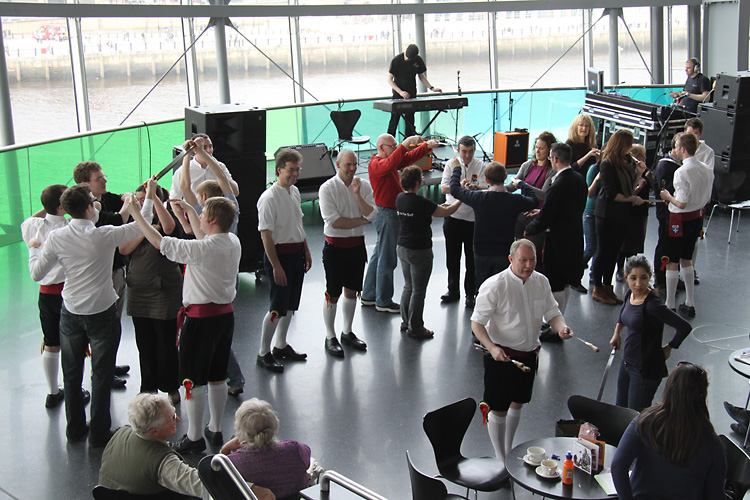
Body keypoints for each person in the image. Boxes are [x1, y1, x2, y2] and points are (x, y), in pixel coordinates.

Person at [29, 184, 150, 447]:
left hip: (70, 311)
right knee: (102, 374)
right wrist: (147, 198)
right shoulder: (104, 235)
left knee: (71, 374)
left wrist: (33, 249)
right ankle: (99, 432)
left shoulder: (57, 238)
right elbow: (143, 225)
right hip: (102, 312)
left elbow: (37, 273)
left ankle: (74, 429)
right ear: (88, 208)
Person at [129, 185, 241, 455]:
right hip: (225, 317)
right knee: (216, 375)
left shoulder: (201, 250)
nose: (199, 219)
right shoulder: (231, 241)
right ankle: (214, 427)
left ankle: (193, 436)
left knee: (192, 379)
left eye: (203, 215)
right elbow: (204, 237)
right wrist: (190, 211)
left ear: (212, 220)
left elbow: (159, 242)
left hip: (200, 321)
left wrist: (137, 214)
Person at [471, 239, 574, 460]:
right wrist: (492, 347)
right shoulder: (495, 285)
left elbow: (552, 313)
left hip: (528, 354)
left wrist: (562, 327)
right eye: (523, 260)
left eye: (532, 260)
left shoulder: (541, 282)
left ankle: (508, 449)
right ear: (511, 259)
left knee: (517, 402)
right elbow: (477, 324)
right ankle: (501, 457)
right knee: (498, 408)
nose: (529, 265)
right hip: (501, 356)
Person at [99, 393, 275, 500]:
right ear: (153, 431)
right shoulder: (163, 463)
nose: (177, 419)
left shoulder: (121, 433)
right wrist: (250, 489)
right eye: (171, 418)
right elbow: (200, 484)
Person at [178, 136, 244, 396]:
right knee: (218, 330)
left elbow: (185, 186)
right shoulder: (228, 209)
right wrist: (202, 157)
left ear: (204, 198)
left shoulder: (211, 210)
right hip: (226, 276)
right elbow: (220, 183)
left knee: (214, 332)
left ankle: (227, 378)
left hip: (209, 281)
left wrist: (192, 156)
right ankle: (229, 379)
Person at [611, 362, 726, 500]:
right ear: (702, 395)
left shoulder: (646, 422)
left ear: (670, 388)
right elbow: (715, 495)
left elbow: (618, 466)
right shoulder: (712, 443)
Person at [21, 184, 91, 408]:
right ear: (64, 207)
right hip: (70, 293)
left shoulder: (33, 226)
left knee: (51, 343)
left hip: (46, 295)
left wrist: (49, 208)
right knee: (75, 345)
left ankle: (52, 393)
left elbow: (30, 220)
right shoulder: (71, 227)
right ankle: (74, 390)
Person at [119, 182, 182, 405]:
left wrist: (154, 197)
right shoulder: (133, 223)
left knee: (167, 342)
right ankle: (148, 387)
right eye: (138, 200)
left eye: (145, 199)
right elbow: (123, 249)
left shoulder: (166, 217)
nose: (140, 203)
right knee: (144, 344)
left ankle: (171, 386)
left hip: (165, 290)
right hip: (139, 290)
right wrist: (145, 229)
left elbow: (168, 229)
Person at [361, 134, 440, 313]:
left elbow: (406, 158)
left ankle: (369, 295)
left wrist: (426, 146)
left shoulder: (386, 162)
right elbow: (395, 160)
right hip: (387, 214)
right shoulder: (377, 164)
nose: (396, 149)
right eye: (392, 146)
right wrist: (404, 146)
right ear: (381, 148)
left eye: (396, 145)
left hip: (387, 214)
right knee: (387, 260)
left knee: (379, 256)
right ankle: (383, 300)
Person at [73, 161, 133, 388]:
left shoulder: (106, 199)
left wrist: (132, 196)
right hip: (104, 275)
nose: (105, 180)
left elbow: (124, 201)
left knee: (114, 322)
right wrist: (130, 203)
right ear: (84, 184)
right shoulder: (89, 213)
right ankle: (101, 372)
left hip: (118, 270)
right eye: (99, 178)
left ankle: (107, 364)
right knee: (104, 326)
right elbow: (119, 220)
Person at [608, 256, 692, 411]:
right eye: (633, 278)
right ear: (626, 278)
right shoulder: (629, 294)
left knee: (636, 416)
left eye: (643, 278)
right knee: (619, 410)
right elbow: (623, 313)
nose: (638, 284)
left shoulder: (653, 305)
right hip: (627, 362)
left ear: (650, 277)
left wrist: (670, 347)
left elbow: (684, 327)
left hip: (645, 369)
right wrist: (617, 332)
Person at [256, 149, 312, 373]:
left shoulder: (295, 192)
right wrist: (276, 265)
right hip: (279, 256)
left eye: (297, 170)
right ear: (279, 169)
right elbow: (265, 235)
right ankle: (263, 352)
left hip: (296, 253)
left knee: (289, 306)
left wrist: (306, 250)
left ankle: (280, 346)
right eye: (291, 170)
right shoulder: (269, 198)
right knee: (277, 308)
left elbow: (299, 225)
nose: (295, 174)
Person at [318, 149, 377, 357]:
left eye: (354, 165)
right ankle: (330, 335)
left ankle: (347, 331)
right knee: (333, 293)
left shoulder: (363, 186)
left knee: (352, 290)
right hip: (334, 248)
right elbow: (334, 221)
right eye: (347, 165)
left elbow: (373, 213)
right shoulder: (327, 189)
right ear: (338, 165)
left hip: (356, 247)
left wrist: (357, 195)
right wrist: (362, 220)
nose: (352, 169)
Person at [449, 161, 538, 289]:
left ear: (486, 180)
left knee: (483, 289)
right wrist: (521, 184)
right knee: (502, 289)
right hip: (504, 252)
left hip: (482, 251)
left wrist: (456, 169)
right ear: (505, 176)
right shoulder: (514, 200)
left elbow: (455, 190)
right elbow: (534, 200)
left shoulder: (479, 198)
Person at [396, 166, 461, 338]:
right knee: (419, 290)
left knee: (408, 286)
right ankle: (415, 327)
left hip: (402, 247)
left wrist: (437, 207)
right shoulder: (421, 202)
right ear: (418, 182)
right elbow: (446, 212)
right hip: (419, 250)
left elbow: (424, 210)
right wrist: (460, 199)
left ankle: (405, 321)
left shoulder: (400, 198)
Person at [525, 142, 588, 315]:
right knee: (566, 279)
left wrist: (529, 230)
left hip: (558, 240)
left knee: (555, 281)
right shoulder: (578, 178)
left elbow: (546, 218)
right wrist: (544, 210)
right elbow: (570, 207)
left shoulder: (558, 184)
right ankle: (560, 320)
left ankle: (554, 325)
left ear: (555, 158)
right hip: (574, 235)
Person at [659, 132, 713, 316]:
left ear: (682, 149)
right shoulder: (706, 168)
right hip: (696, 217)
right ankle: (689, 302)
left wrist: (667, 197)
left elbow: (680, 203)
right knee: (687, 260)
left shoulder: (681, 172)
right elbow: (707, 197)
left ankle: (670, 304)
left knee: (672, 261)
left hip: (679, 220)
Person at [591, 129, 646, 305]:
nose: (630, 148)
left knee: (614, 252)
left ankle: (608, 286)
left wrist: (639, 175)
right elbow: (611, 194)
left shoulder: (628, 162)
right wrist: (633, 198)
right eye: (628, 144)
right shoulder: (607, 164)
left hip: (622, 213)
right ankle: (598, 287)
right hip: (607, 214)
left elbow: (631, 185)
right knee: (603, 251)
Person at [221, 398, 310, 500]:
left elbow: (217, 475)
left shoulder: (234, 463)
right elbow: (307, 458)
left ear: (241, 430)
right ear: (274, 424)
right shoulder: (294, 449)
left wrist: (225, 450)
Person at [439, 135, 487, 307]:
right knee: (452, 257)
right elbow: (444, 186)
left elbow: (485, 187)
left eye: (471, 152)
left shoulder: (480, 165)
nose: (467, 155)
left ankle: (470, 293)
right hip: (453, 216)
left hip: (473, 220)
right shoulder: (451, 165)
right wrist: (458, 186)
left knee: (471, 259)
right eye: (464, 152)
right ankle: (453, 290)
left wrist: (473, 187)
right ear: (459, 151)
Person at [507, 131, 557, 266]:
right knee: (517, 247)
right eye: (536, 147)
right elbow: (512, 187)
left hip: (537, 215)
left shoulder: (552, 170)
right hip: (522, 213)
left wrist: (523, 185)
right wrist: (496, 188)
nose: (538, 151)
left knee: (534, 251)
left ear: (549, 150)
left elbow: (544, 194)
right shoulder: (527, 165)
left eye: (542, 148)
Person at [684, 117, 715, 287]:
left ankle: (691, 268)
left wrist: (706, 196)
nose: (693, 138)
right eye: (690, 134)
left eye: (695, 134)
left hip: (698, 201)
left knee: (695, 236)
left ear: (700, 134)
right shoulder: (682, 147)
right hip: (683, 199)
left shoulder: (708, 152)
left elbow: (710, 176)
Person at [386, 44, 442, 137]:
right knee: (394, 120)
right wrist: (400, 92)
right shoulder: (396, 60)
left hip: (411, 93)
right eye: (407, 57)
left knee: (410, 120)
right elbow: (389, 79)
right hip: (398, 94)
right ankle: (389, 143)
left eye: (410, 58)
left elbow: (421, 76)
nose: (408, 59)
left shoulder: (418, 60)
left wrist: (431, 88)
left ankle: (408, 142)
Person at [615, 144, 652, 281]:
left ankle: (631, 268)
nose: (644, 158)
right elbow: (627, 193)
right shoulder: (628, 171)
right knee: (624, 242)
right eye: (642, 155)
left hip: (641, 212)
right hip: (629, 210)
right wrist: (638, 188)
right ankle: (619, 269)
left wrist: (651, 179)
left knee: (636, 242)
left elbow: (653, 189)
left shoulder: (645, 170)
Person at [170, 133, 239, 200]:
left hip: (217, 209)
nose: (209, 150)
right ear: (194, 150)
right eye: (204, 147)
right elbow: (174, 198)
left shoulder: (220, 166)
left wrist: (221, 174)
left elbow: (235, 192)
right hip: (195, 210)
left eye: (210, 146)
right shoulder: (182, 171)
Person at [653, 136, 682, 292]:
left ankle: (672, 277)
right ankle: (660, 277)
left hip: (675, 213)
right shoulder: (665, 165)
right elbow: (667, 192)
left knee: (673, 246)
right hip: (666, 213)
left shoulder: (678, 165)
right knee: (664, 245)